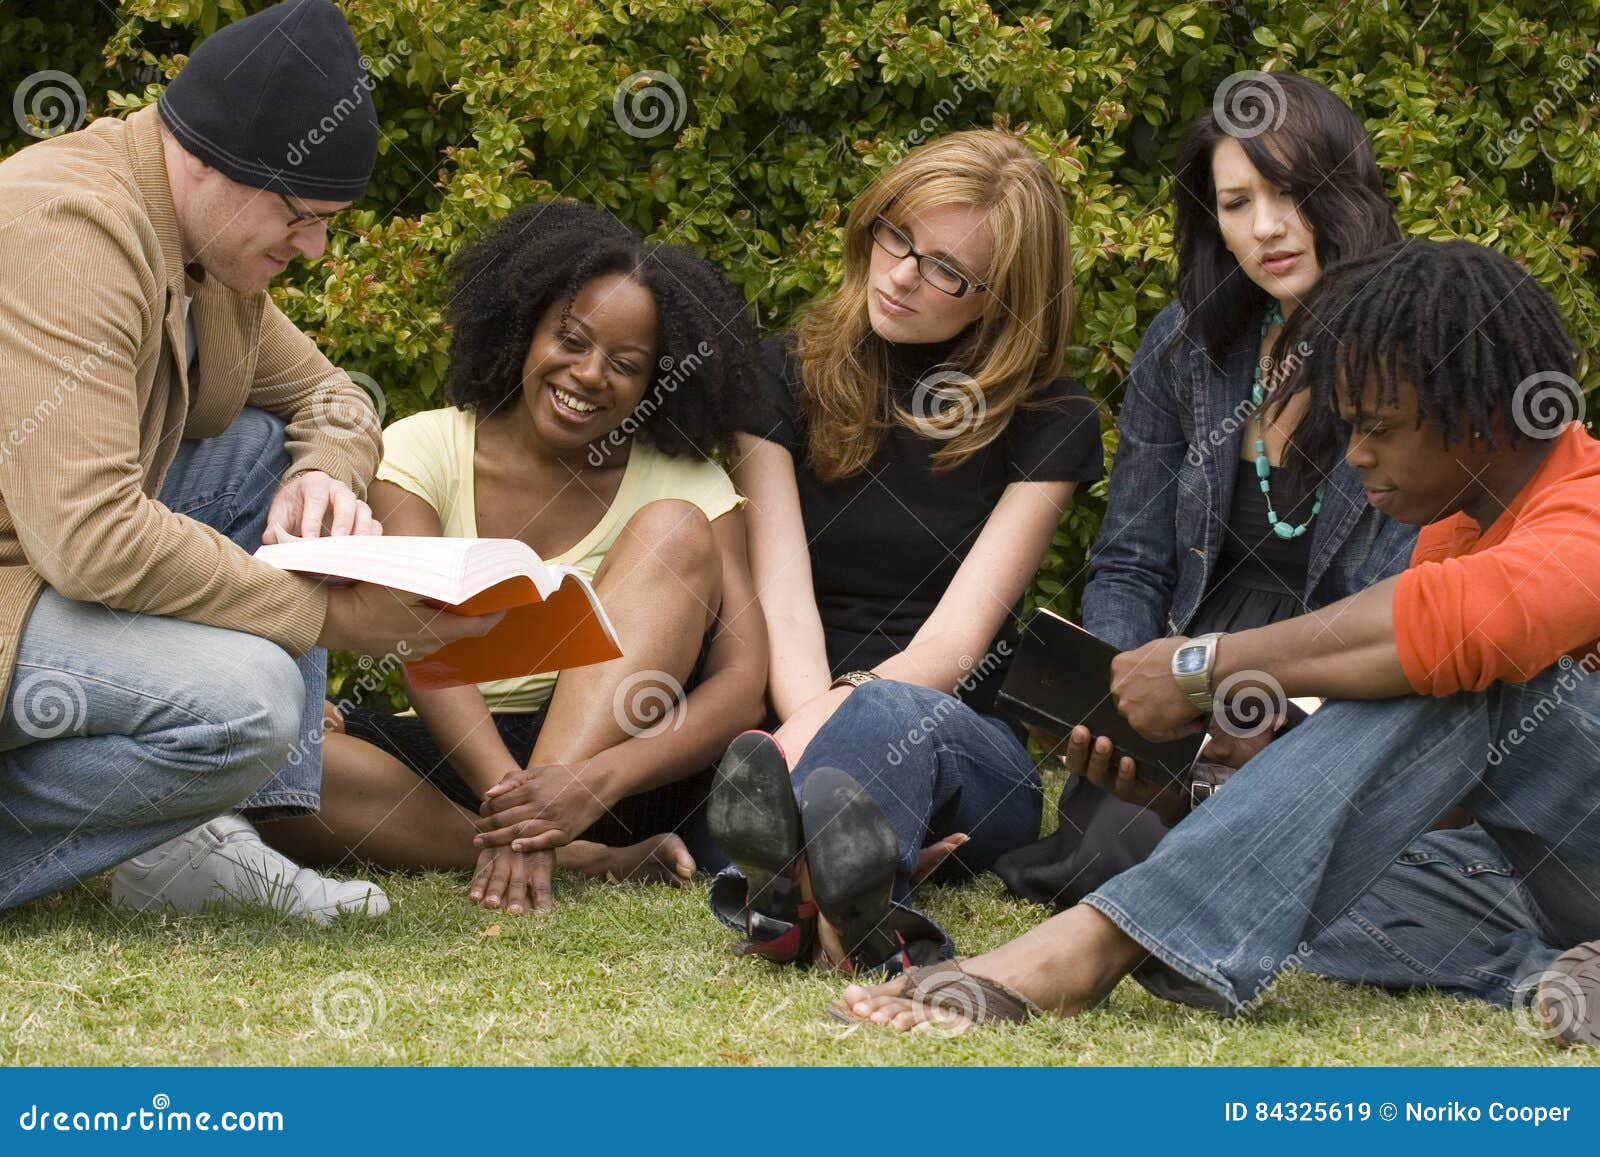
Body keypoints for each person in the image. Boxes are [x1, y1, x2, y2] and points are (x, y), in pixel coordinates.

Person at [835, 239, 1600, 1051]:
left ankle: (1092, 948)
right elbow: (1435, 795)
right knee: (1294, 883)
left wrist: (1202, 665)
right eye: (1350, 427)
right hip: (1533, 881)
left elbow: (1451, 632)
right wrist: (1199, 794)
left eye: (1377, 428)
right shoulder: (1458, 528)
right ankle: (1552, 968)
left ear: (1481, 417)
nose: (1356, 455)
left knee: (1474, 676)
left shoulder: (1586, 506)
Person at [0, 0, 495, 921]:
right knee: (250, 700)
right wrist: (329, 616)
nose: (314, 247)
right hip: (33, 571)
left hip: (39, 570)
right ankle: (158, 835)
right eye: (301, 216)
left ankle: (209, 835)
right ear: (208, 160)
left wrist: (324, 475)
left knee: (264, 453)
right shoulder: (71, 231)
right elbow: (90, 539)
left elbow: (335, 399)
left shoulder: (201, 238)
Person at [260, 201, 768, 916]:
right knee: (278, 762)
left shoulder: (691, 486)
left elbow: (743, 685)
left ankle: (549, 825)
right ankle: (579, 858)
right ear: (525, 327)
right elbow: (419, 638)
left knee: (673, 527)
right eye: (571, 340)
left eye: (625, 365)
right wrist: (518, 801)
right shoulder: (423, 448)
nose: (588, 374)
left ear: (656, 381)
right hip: (460, 753)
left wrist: (588, 782)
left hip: (618, 774)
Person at [995, 72, 1417, 909]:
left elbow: (1405, 605)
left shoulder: (1415, 349)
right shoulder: (1184, 347)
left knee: (1256, 849)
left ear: (1349, 192)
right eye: (1236, 203)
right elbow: (1131, 561)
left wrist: (1285, 712)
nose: (1266, 227)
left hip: (1336, 681)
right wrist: (1115, 692)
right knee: (1113, 848)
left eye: (1293, 193)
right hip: (1184, 680)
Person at [705, 129, 1103, 972]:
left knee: (889, 711)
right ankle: (853, 895)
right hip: (791, 718)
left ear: (1000, 300)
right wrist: (809, 734)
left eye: (945, 269)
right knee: (810, 746)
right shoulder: (778, 374)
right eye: (897, 236)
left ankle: (789, 893)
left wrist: (820, 728)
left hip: (962, 742)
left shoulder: (1051, 420)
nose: (898, 275)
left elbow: (953, 646)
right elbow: (785, 603)